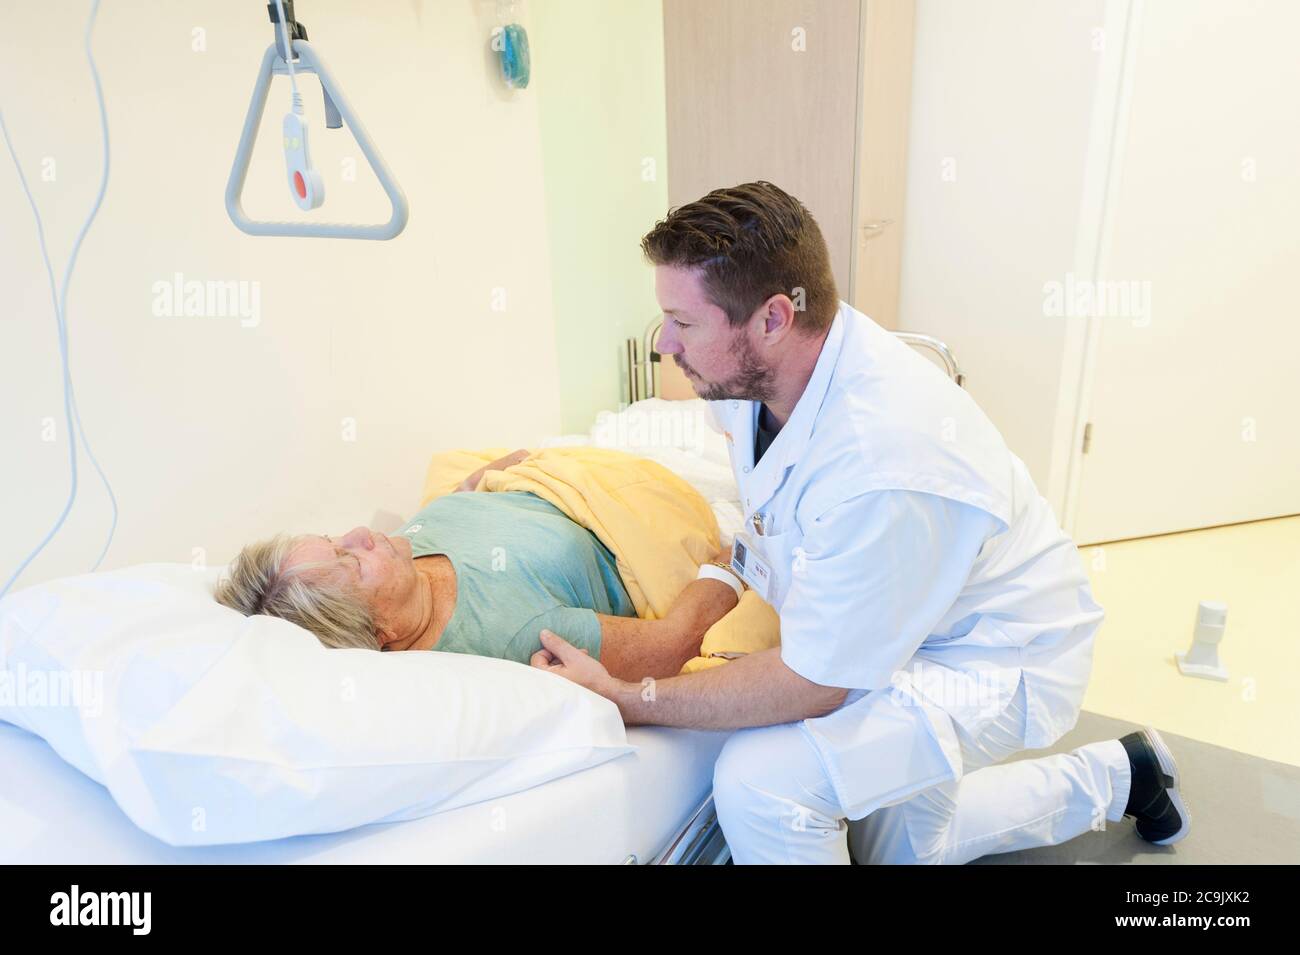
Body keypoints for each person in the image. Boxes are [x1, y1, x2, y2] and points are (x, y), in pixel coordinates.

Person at [530, 181, 1191, 864]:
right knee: (905, 850)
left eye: (684, 322)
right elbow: (765, 516)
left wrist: (628, 696)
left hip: (992, 653)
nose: (665, 342)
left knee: (764, 784)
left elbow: (816, 680)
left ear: (774, 319)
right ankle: (1125, 773)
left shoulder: (885, 455)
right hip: (902, 620)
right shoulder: (749, 386)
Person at [214, 449, 739, 682]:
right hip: (629, 507)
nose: (357, 536)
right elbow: (673, 644)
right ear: (381, 632)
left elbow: (454, 509)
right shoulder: (516, 634)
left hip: (553, 475)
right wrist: (731, 563)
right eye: (349, 561)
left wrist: (484, 479)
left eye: (332, 538)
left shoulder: (401, 565)